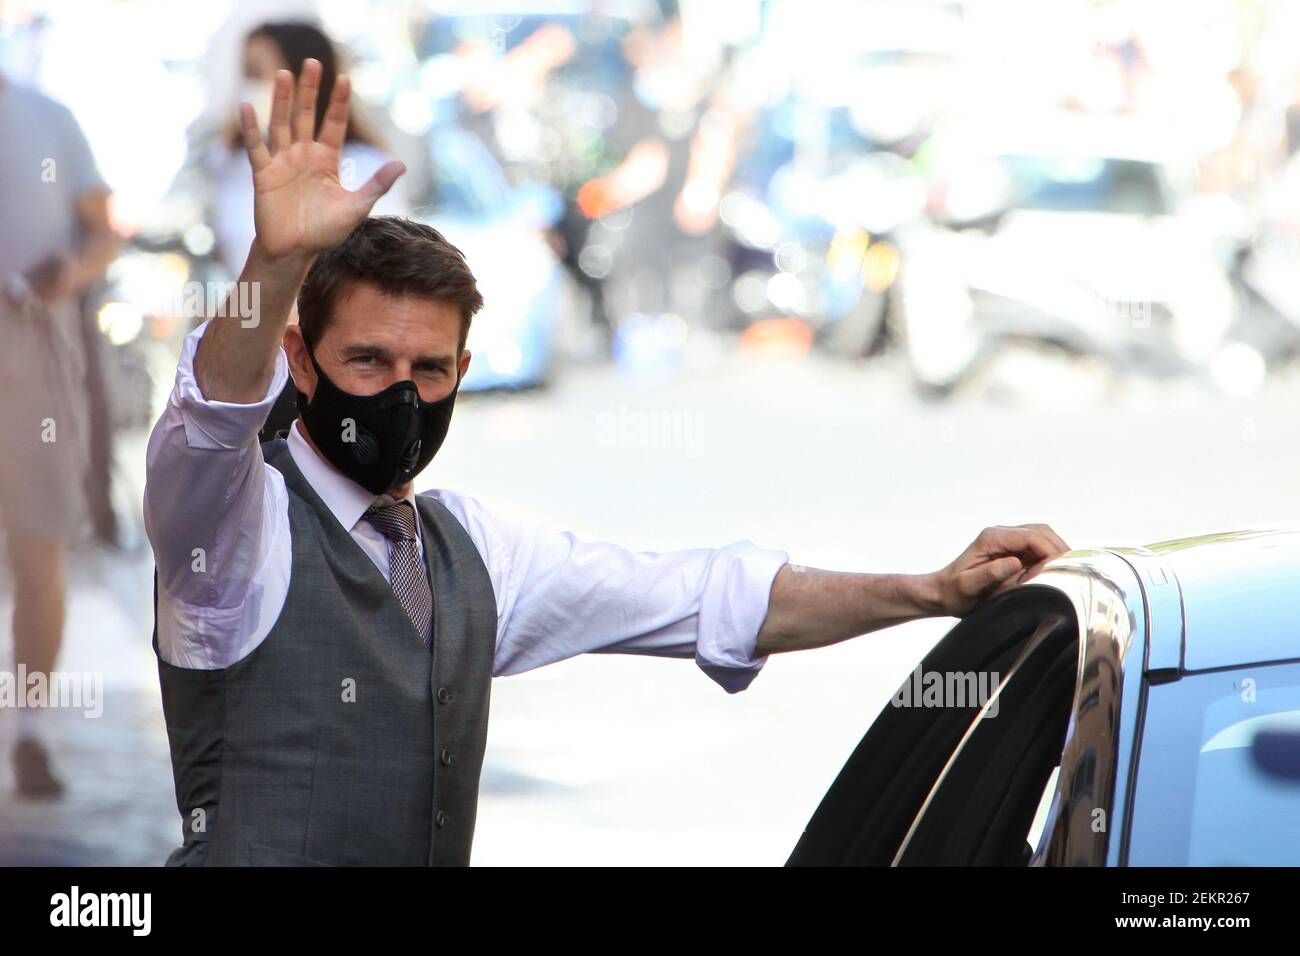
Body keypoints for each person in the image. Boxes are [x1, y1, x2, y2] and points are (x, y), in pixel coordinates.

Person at [144, 61, 1069, 865]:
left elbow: (707, 595)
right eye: (367, 362)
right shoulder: (238, 529)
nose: (401, 395)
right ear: (302, 361)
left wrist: (932, 591)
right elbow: (211, 421)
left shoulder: (468, 550)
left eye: (429, 370)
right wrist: (275, 261)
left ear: (464, 373)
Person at [0, 72, 119, 796]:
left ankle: (31, 731)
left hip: (34, 359)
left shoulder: (49, 117)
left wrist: (69, 271)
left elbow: (104, 231)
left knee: (38, 550)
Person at [208, 21, 409, 442]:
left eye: (258, 71)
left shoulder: (358, 164)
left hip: (326, 369)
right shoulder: (233, 164)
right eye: (244, 70)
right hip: (248, 360)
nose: (248, 84)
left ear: (301, 78)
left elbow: (390, 279)